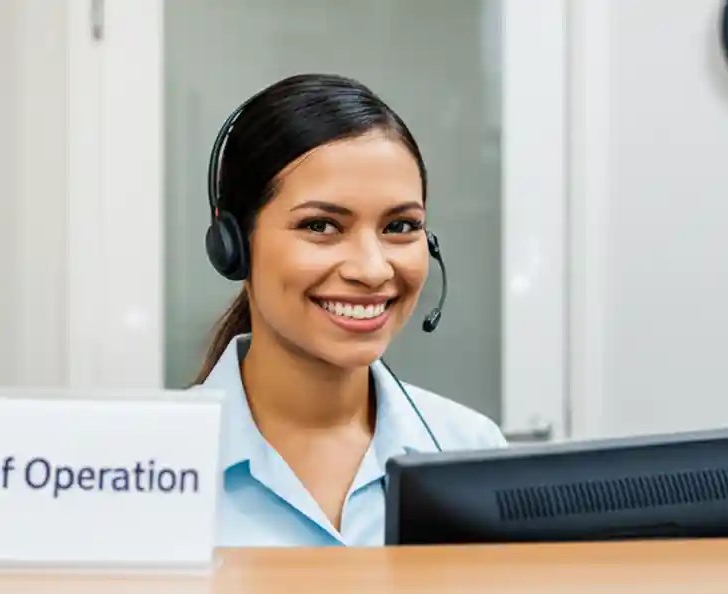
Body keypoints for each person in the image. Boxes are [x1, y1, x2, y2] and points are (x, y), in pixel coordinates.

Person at [194, 73, 507, 547]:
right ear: (233, 244)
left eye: (400, 226)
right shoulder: (149, 467)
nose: (372, 269)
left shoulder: (469, 449)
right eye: (321, 225)